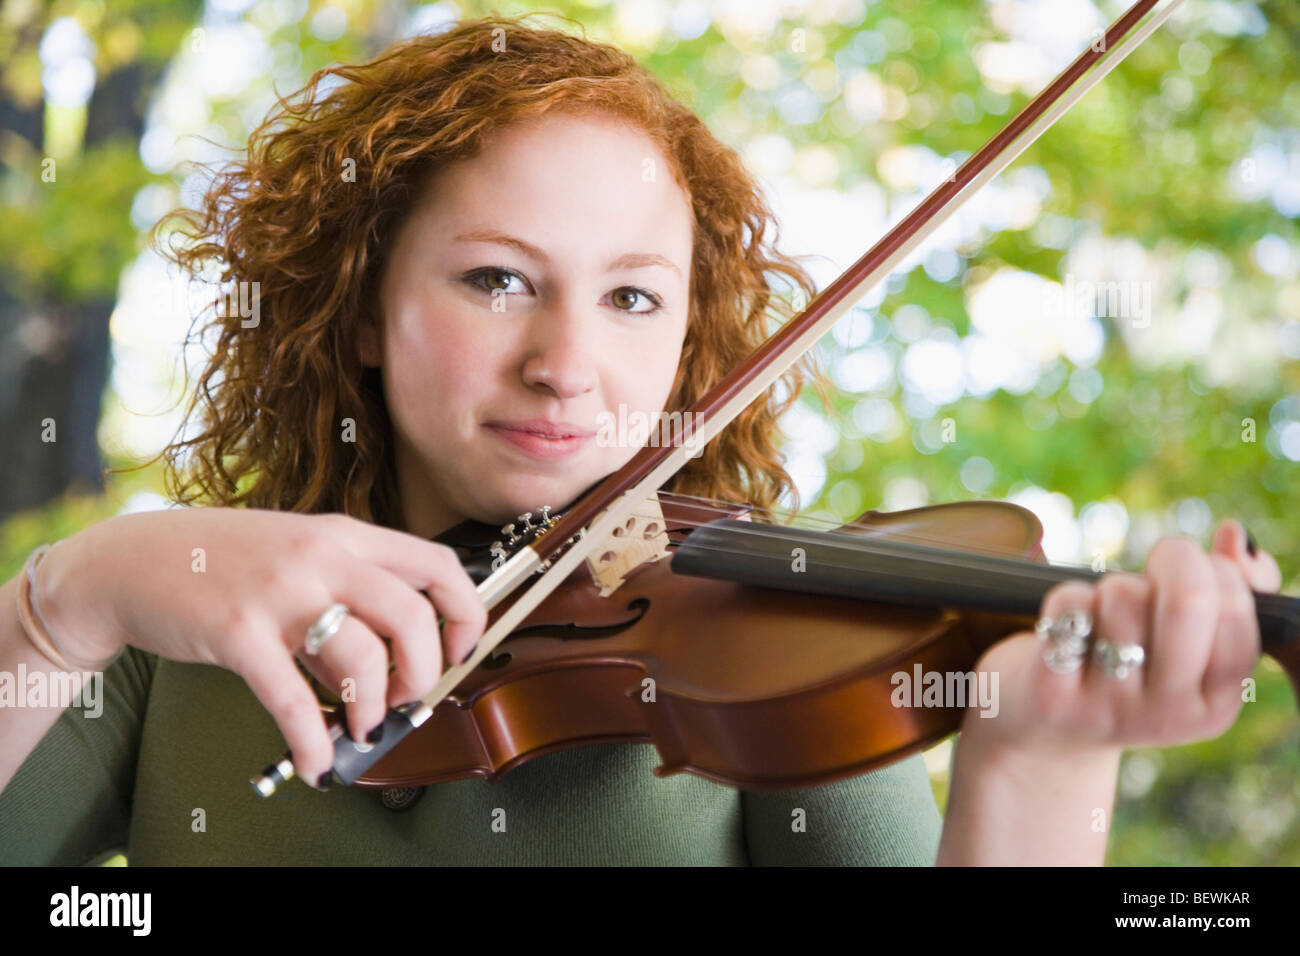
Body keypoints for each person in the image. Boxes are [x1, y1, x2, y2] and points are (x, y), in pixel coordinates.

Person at [0, 15, 1283, 866]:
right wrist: (72, 598)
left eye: (630, 296)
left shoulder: (764, 652)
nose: (567, 364)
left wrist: (1041, 764)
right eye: (497, 278)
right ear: (367, 307)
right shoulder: (177, 641)